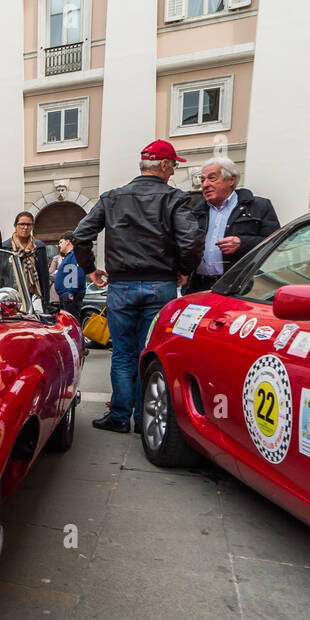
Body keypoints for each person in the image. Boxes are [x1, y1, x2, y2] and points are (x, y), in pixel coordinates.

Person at [73, 140, 203, 433]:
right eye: (174, 166)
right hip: (161, 285)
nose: (173, 172)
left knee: (122, 353)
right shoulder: (175, 199)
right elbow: (192, 241)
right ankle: (145, 418)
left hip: (121, 286)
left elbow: (81, 235)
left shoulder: (113, 198)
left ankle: (120, 416)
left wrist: (90, 269)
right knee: (151, 354)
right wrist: (183, 270)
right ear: (165, 166)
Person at [183, 157, 281, 293]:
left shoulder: (259, 206)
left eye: (212, 178)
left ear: (231, 180)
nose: (205, 185)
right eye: (202, 180)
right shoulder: (195, 211)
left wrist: (242, 243)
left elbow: (276, 244)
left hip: (239, 287)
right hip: (199, 286)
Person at [4, 212, 51, 308]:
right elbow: (2, 275)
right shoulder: (6, 247)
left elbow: (44, 276)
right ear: (15, 226)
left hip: (34, 297)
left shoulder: (39, 247)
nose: (25, 227)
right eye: (22, 224)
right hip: (12, 296)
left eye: (28, 224)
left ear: (32, 227)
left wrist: (46, 302)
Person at [53, 232, 84, 323]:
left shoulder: (75, 255)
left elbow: (77, 274)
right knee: (67, 322)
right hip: (65, 295)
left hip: (69, 295)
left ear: (67, 242)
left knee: (71, 322)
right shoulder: (70, 256)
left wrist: (70, 292)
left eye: (60, 242)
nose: (59, 245)